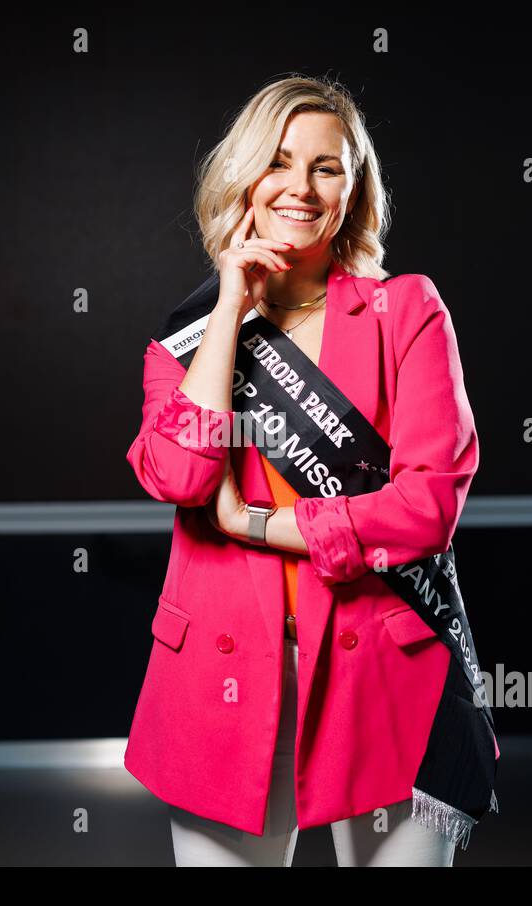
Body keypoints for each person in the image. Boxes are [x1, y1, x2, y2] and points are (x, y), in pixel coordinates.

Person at [123, 74, 480, 866]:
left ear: (353, 190)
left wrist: (256, 522)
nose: (301, 186)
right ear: (244, 174)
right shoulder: (184, 339)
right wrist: (229, 307)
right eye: (280, 161)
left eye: (328, 166)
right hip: (219, 686)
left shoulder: (406, 311)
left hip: (386, 676)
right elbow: (180, 475)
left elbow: (427, 506)